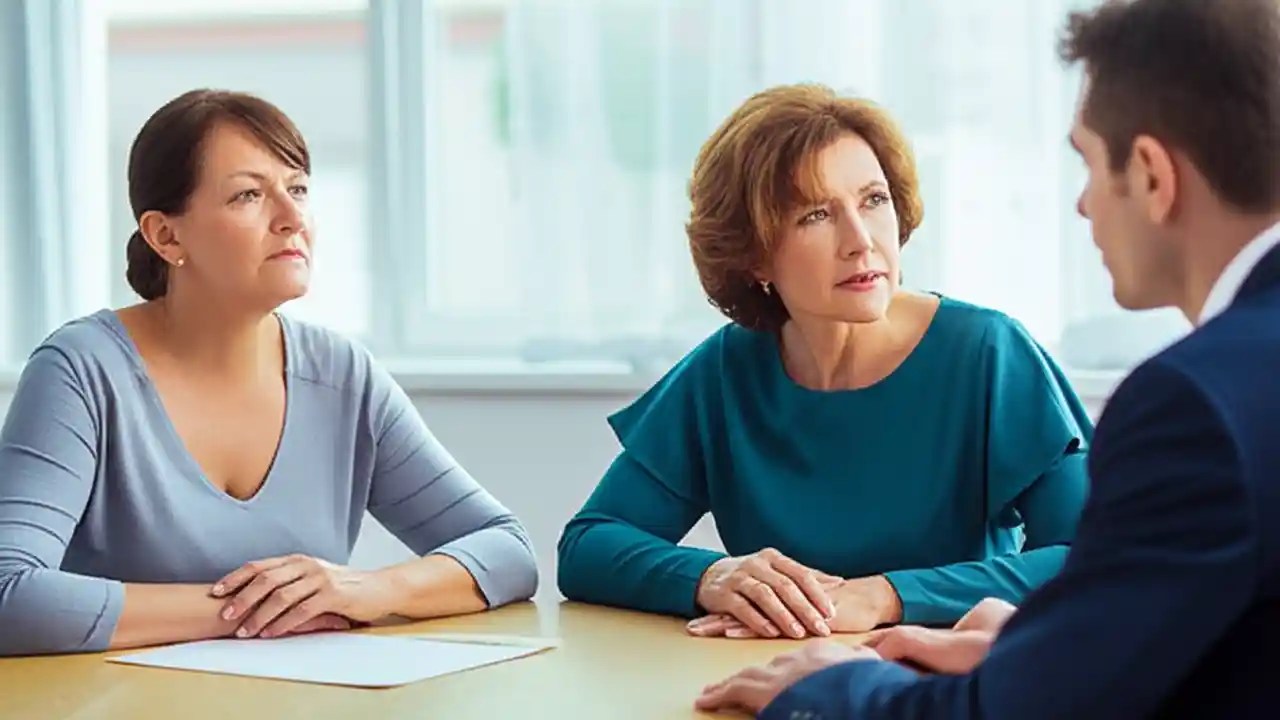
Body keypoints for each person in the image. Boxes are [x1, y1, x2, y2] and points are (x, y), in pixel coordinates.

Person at [697, 0, 1280, 717]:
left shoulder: (1194, 405)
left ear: (1155, 177)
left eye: (1089, 164)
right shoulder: (730, 365)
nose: (1082, 207)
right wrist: (1044, 648)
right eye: (816, 213)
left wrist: (825, 685)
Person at [0, 89, 538, 656]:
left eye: (298, 189)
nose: (291, 218)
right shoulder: (81, 373)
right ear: (166, 235)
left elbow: (507, 550)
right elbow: (9, 594)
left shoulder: (343, 377)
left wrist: (367, 590)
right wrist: (254, 609)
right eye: (249, 195)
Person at [556, 83, 1094, 642]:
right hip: (770, 678)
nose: (861, 240)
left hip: (943, 683)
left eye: (873, 200)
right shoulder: (725, 371)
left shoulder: (987, 353)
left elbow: (1094, 552)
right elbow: (588, 544)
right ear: (755, 254)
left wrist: (886, 595)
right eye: (816, 214)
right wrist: (712, 575)